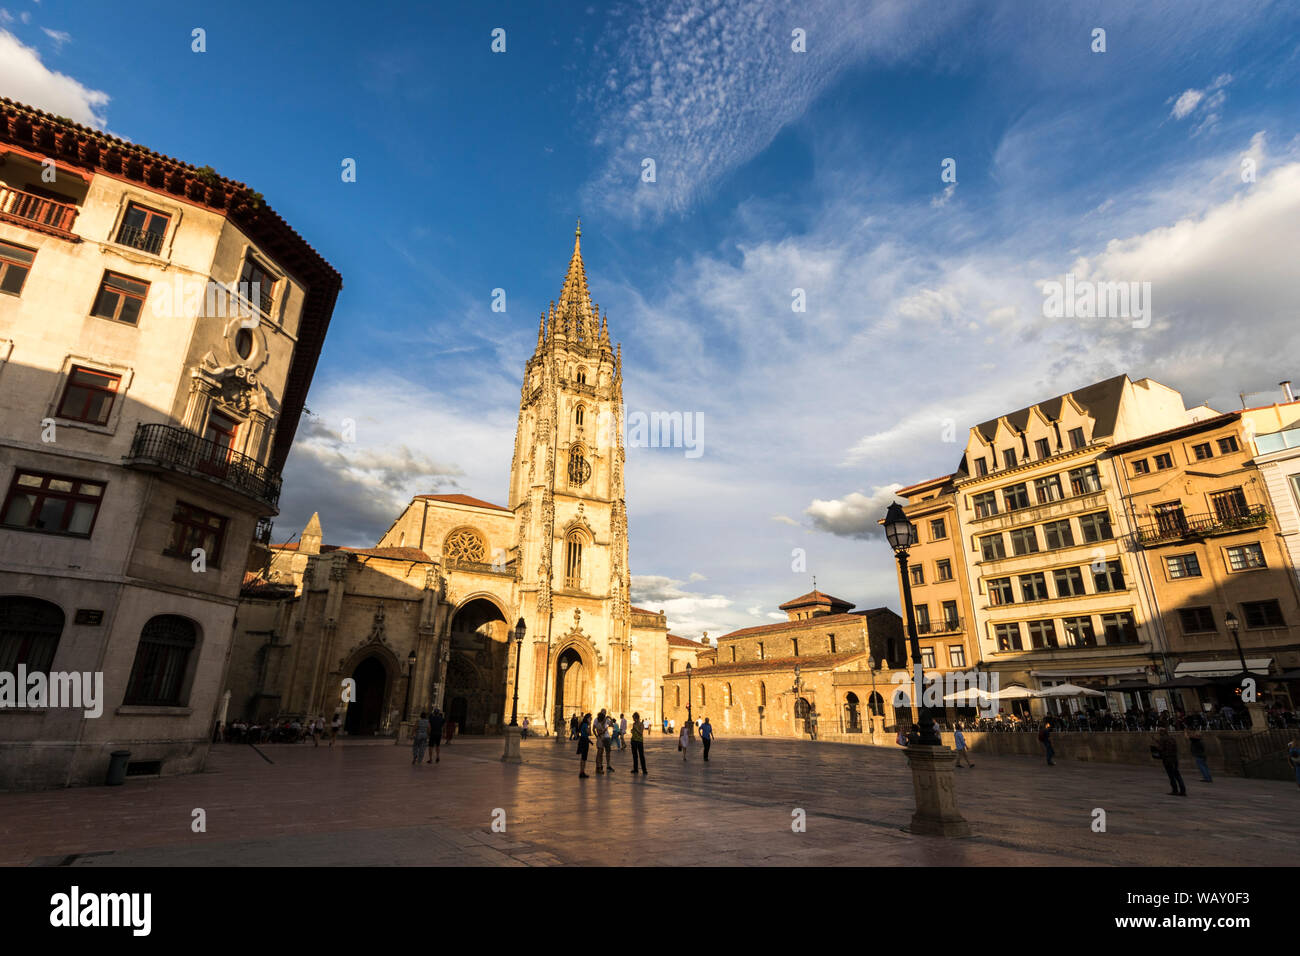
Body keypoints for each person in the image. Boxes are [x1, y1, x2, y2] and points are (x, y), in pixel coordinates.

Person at [1153, 727, 1186, 795]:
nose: (1158, 733)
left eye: (1159, 732)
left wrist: (1156, 748)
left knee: (1171, 776)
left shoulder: (1162, 739)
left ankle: (1175, 790)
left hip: (1167, 759)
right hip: (1174, 758)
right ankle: (1183, 790)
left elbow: (1161, 748)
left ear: (1162, 732)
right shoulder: (1172, 738)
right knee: (1177, 775)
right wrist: (1156, 740)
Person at [577, 713, 592, 778]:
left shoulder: (583, 724)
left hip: (583, 740)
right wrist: (590, 725)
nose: (591, 720)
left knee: (583, 757)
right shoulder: (586, 725)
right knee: (584, 757)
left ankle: (582, 771)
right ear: (587, 719)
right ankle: (582, 772)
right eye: (590, 718)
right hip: (584, 741)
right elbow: (588, 733)